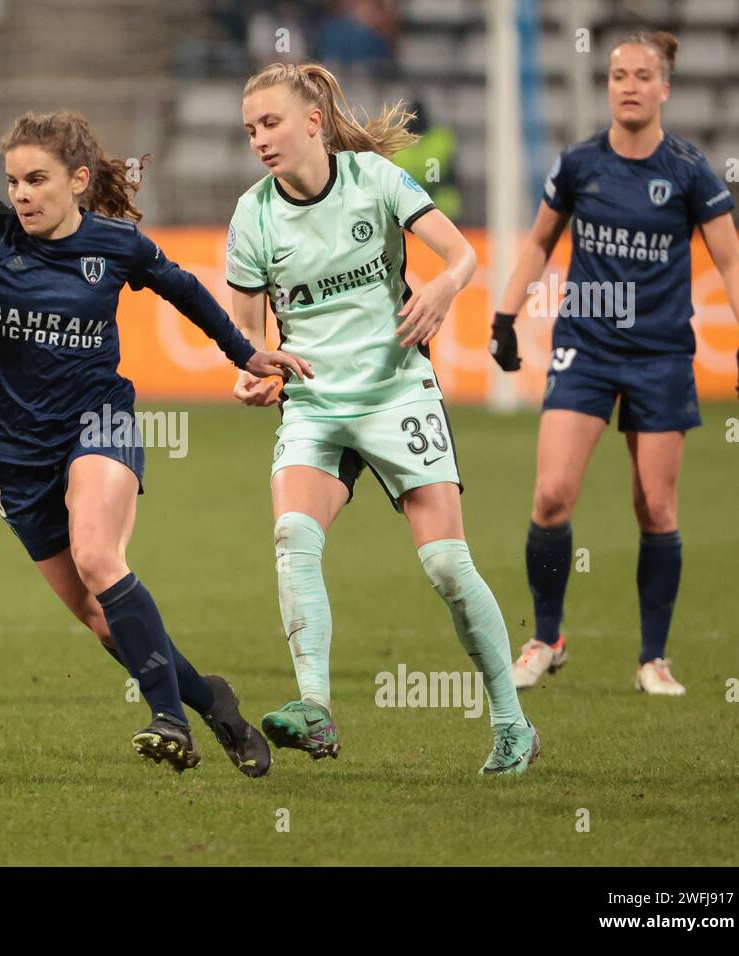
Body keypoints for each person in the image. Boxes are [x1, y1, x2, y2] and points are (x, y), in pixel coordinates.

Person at [0, 110, 312, 775]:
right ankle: (211, 700)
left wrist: (245, 354)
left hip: (96, 423)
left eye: (37, 179)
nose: (22, 194)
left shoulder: (117, 246)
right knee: (105, 623)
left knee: (100, 556)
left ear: (77, 180)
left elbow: (186, 291)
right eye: (15, 180)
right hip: (12, 454)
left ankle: (168, 719)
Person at [227, 63, 538, 775]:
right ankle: (315, 708)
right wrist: (254, 376)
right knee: (292, 537)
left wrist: (441, 290)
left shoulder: (373, 179)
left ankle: (512, 723)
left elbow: (461, 255)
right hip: (315, 405)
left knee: (447, 567)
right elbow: (246, 342)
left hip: (398, 393)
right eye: (249, 130)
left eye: (271, 123)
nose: (260, 140)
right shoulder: (254, 214)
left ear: (312, 121)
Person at [489, 31, 739, 696]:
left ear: (665, 87)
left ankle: (652, 659)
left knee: (655, 506)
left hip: (661, 354)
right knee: (552, 495)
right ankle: (546, 637)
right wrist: (503, 316)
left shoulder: (690, 171)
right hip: (585, 345)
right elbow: (537, 242)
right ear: (609, 86)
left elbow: (729, 259)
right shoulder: (580, 164)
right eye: (619, 75)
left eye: (643, 75)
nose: (630, 85)